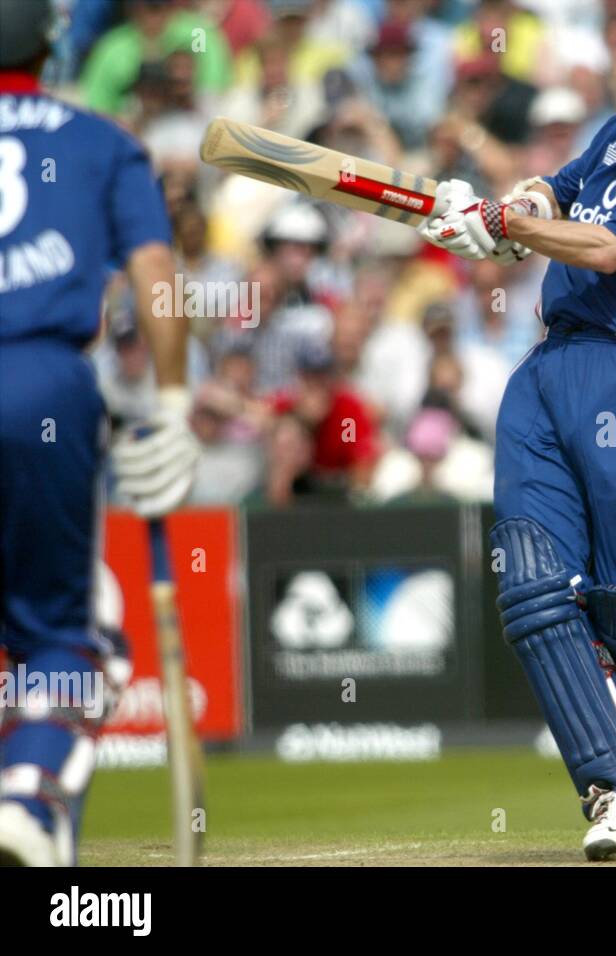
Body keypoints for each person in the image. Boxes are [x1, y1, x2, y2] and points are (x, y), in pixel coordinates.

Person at [418, 17, 616, 860]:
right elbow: (554, 192)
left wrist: (508, 225)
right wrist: (502, 208)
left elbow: (604, 249)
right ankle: (612, 787)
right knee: (530, 587)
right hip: (545, 366)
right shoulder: (612, 138)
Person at [0, 1, 199, 865]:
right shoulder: (98, 141)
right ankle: (30, 798)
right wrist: (174, 403)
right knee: (74, 632)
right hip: (38, 380)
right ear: (52, 46)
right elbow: (154, 272)